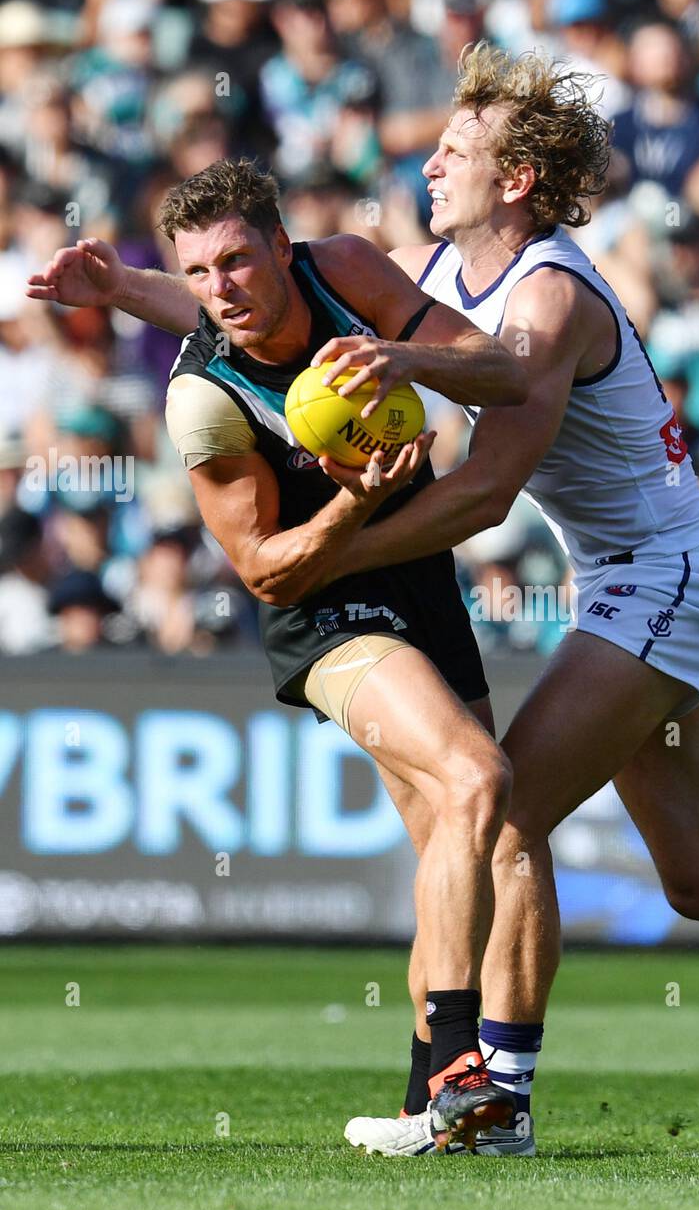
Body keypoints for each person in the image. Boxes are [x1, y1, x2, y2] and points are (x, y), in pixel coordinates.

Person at [34, 55, 699, 1161]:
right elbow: (255, 298)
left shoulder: (546, 295)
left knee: (498, 806)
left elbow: (481, 491)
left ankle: (489, 1096)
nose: (429, 163)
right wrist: (128, 286)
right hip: (641, 580)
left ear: (514, 180)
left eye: (455, 153)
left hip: (664, 579)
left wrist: (330, 553)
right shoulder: (447, 274)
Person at [28, 154, 530, 1150]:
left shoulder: (344, 271)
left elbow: (500, 368)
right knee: (477, 779)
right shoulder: (203, 399)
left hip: (418, 575)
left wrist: (405, 361)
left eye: (237, 264)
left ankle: (426, 1107)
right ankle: (468, 1064)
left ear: (282, 252)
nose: (223, 291)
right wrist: (357, 497)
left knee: (456, 838)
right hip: (324, 609)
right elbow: (266, 571)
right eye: (198, 274)